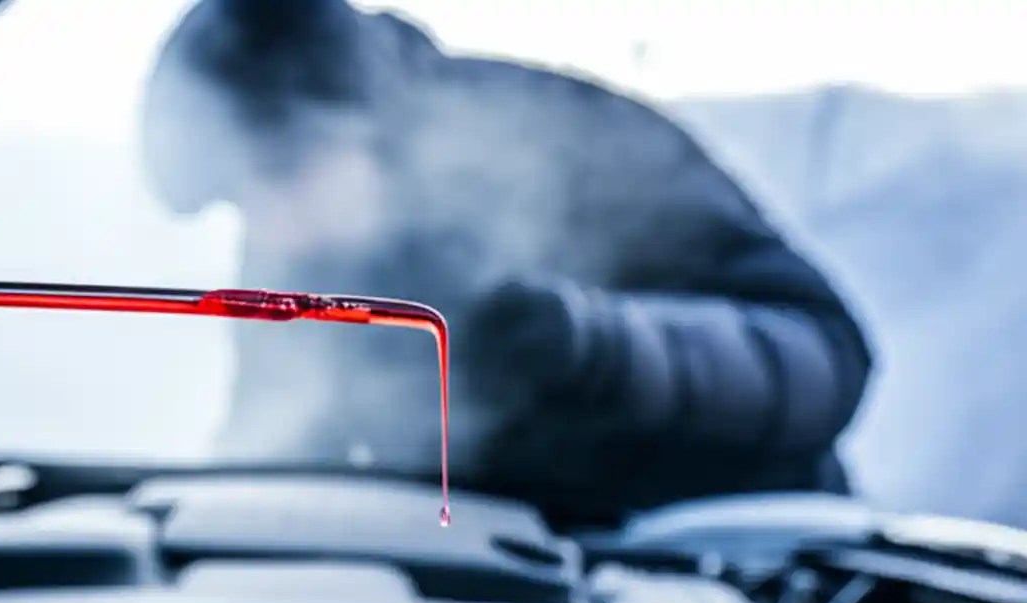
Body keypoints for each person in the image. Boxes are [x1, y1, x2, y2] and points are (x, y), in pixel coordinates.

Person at [141, 0, 873, 526]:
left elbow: (827, 353)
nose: (273, 225)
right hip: (500, 595)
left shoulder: (568, 137)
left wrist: (606, 348)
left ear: (357, 123)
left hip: (750, 582)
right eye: (239, 199)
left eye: (283, 174)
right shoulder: (297, 254)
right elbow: (275, 443)